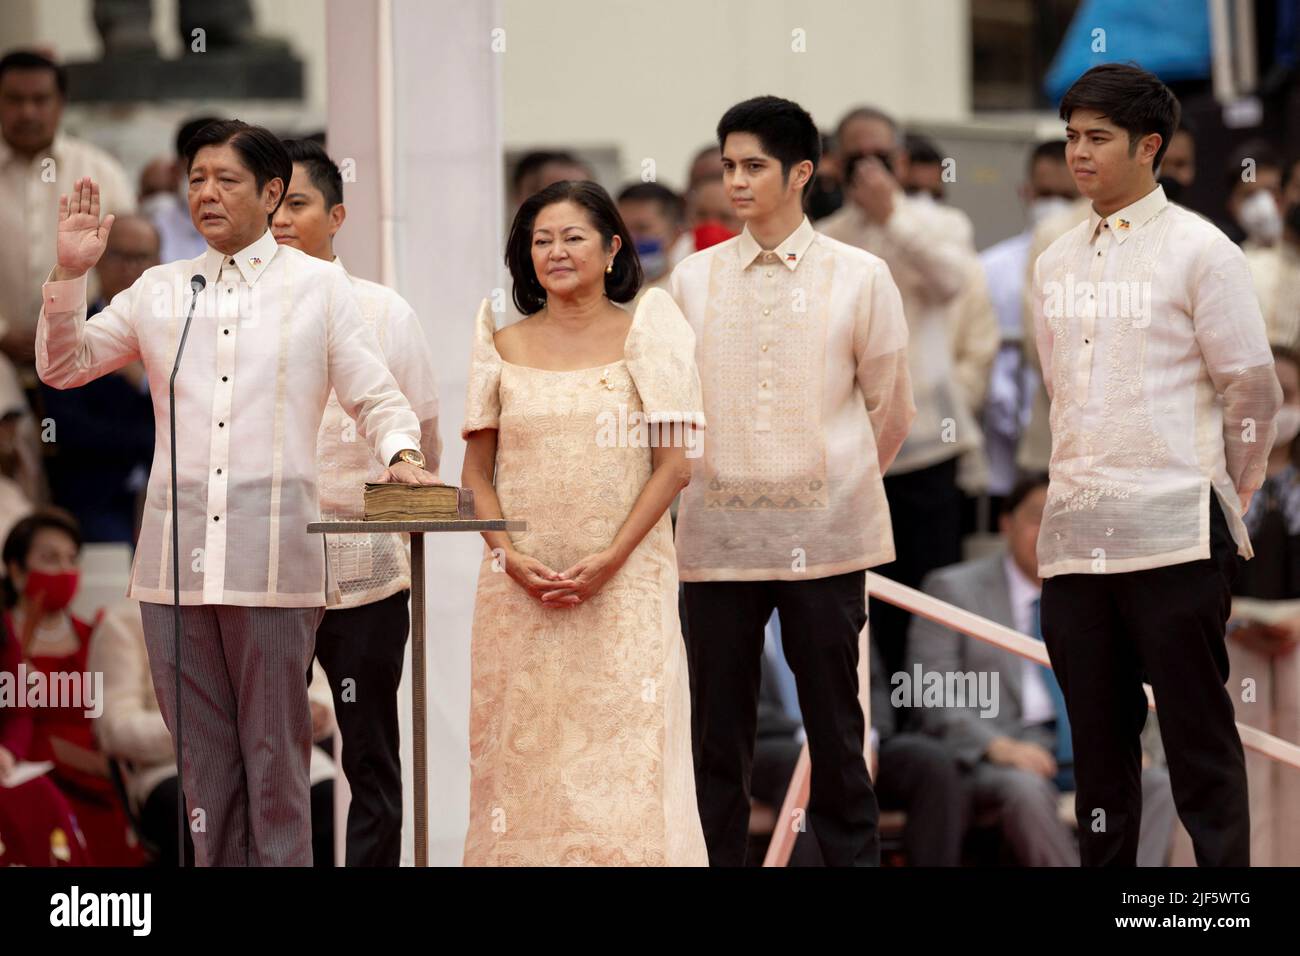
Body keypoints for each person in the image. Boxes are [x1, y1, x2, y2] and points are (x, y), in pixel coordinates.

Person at [36, 120, 434, 866]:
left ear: (272, 192)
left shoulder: (316, 287)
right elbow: (64, 367)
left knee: (277, 763)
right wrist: (67, 276)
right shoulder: (160, 288)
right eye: (195, 179)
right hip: (171, 565)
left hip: (273, 561)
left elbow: (374, 394)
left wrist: (403, 454)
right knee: (203, 776)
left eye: (225, 180)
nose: (205, 193)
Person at [1032, 63, 1281, 867]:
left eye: (1097, 138)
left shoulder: (1204, 251)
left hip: (1177, 533)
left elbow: (1252, 389)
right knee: (1099, 756)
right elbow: (1057, 389)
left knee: (1198, 744)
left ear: (1150, 146)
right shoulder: (1054, 260)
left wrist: (1224, 495)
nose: (1078, 153)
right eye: (1071, 136)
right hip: (1073, 539)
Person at [670, 96, 915, 867]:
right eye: (728, 167)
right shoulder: (689, 279)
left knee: (839, 736)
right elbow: (674, 413)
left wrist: (829, 483)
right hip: (715, 541)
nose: (736, 182)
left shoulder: (861, 275)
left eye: (754, 167)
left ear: (802, 173)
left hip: (830, 539)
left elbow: (893, 408)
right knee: (715, 742)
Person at [460, 179, 707, 866]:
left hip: (623, 591)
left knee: (625, 774)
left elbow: (675, 466)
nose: (556, 252)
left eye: (573, 237)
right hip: (518, 595)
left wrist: (610, 558)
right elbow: (476, 475)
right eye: (541, 240)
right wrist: (507, 555)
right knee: (521, 773)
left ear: (611, 248)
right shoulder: (498, 341)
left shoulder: (650, 327)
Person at [273, 137, 441, 866]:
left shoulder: (384, 312)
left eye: (297, 203)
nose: (278, 219)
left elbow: (420, 437)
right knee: (263, 749)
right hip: (264, 567)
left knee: (368, 750)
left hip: (365, 566)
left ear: (337, 215)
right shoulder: (232, 313)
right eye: (268, 202)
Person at [909, 476, 1176, 866]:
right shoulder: (953, 590)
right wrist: (999, 747)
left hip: (1082, 750)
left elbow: (1127, 684)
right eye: (1038, 518)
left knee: (1157, 785)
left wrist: (1131, 747)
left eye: (1062, 519)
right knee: (1026, 791)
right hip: (996, 753)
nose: (1050, 530)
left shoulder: (1096, 595)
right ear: (1006, 523)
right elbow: (930, 692)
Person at [819, 104, 995, 681]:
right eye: (856, 158)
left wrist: (892, 216)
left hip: (927, 447)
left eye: (879, 156)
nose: (868, 168)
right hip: (855, 453)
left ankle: (935, 728)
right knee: (865, 601)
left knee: (933, 592)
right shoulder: (829, 237)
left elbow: (950, 282)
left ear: (899, 159)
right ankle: (878, 734)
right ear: (835, 164)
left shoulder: (941, 224)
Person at [90, 599, 340, 866]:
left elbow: (319, 689)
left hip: (279, 756)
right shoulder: (122, 623)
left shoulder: (263, 603)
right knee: (199, 816)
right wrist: (204, 728)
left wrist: (314, 711)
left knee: (329, 804)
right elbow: (114, 728)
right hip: (174, 766)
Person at [1, 508, 144, 865]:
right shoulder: (4, 637)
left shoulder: (95, 634)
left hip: (98, 778)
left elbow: (113, 714)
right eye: (50, 559)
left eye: (71, 559)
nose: (65, 570)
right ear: (17, 571)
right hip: (27, 774)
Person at [0, 50, 135, 368]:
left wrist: (73, 332)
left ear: (61, 103)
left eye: (40, 99)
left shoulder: (103, 172)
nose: (28, 112)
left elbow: (130, 263)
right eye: (14, 100)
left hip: (88, 359)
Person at [39, 214, 158, 544]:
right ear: (100, 260)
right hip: (96, 492)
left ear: (159, 262)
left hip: (169, 494)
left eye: (143, 257)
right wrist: (144, 439)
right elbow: (63, 423)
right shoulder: (71, 328)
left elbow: (198, 412)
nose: (131, 268)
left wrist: (145, 383)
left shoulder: (179, 329)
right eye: (120, 256)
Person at [979, 141, 1077, 516]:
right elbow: (986, 348)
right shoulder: (992, 267)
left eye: (1065, 195)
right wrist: (1004, 404)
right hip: (1005, 434)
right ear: (1026, 192)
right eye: (1045, 193)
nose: (1052, 203)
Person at [616, 181, 686, 292]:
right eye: (622, 229)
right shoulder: (606, 288)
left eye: (642, 228)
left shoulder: (694, 284)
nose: (630, 238)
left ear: (676, 232)